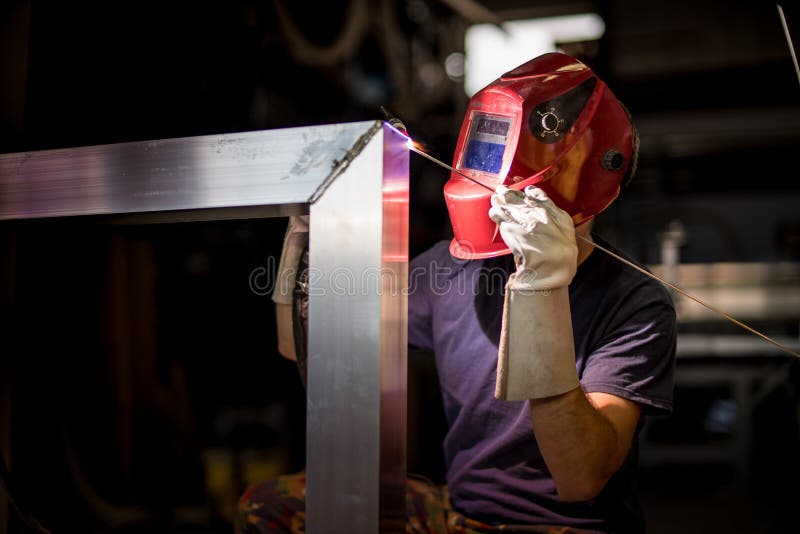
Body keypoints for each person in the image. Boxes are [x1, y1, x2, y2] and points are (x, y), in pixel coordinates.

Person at [236, 52, 676, 534]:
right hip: (461, 517)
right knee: (273, 506)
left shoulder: (635, 303)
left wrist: (541, 290)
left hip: (567, 527)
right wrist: (303, 234)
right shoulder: (451, 268)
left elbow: (580, 477)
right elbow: (303, 347)